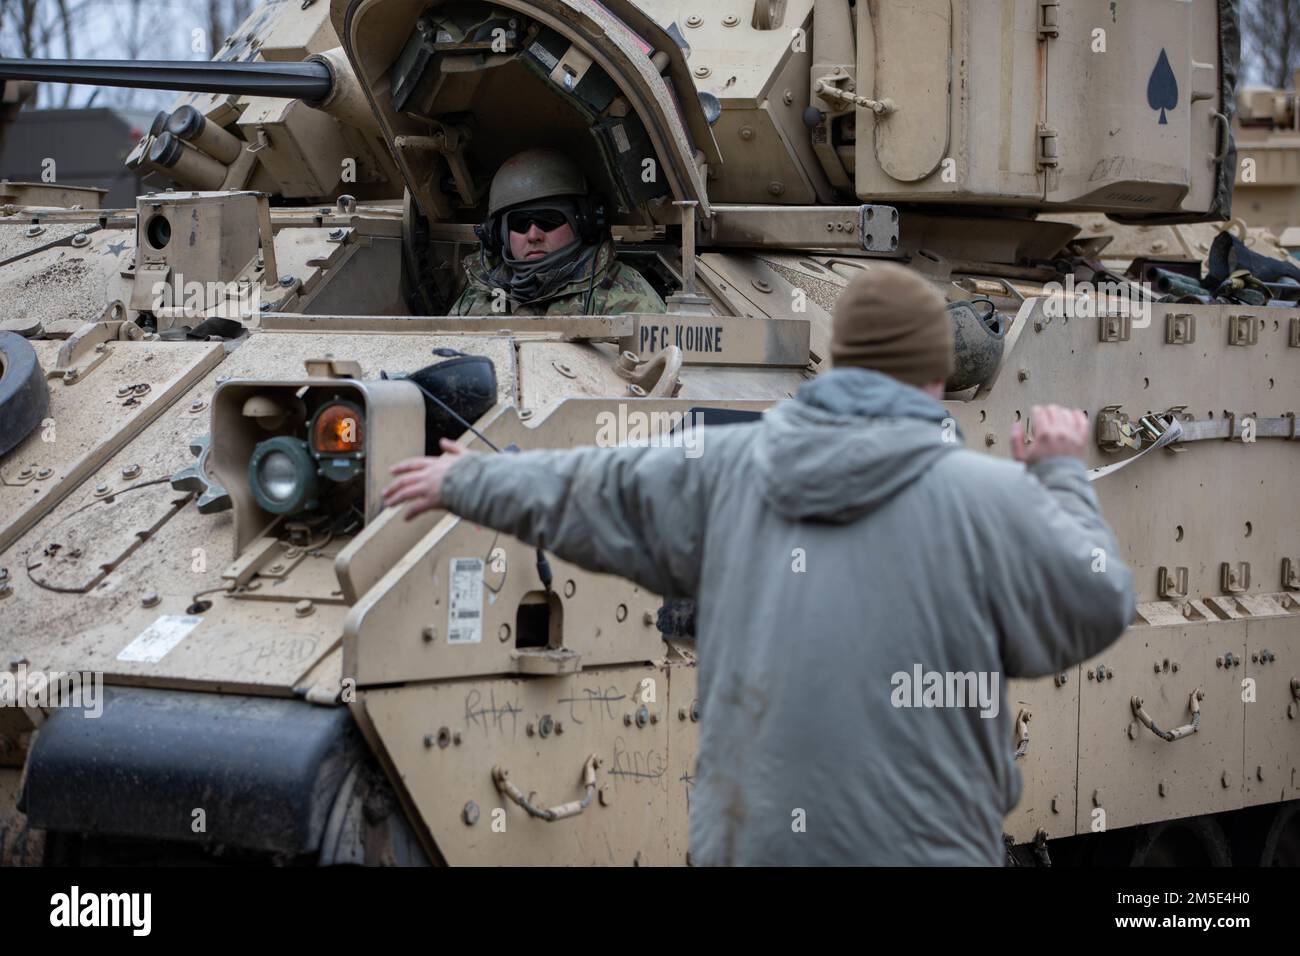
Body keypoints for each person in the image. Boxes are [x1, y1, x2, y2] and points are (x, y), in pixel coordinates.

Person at [383, 263, 1135, 866]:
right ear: (939, 376)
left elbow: (587, 490)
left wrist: (468, 480)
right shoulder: (990, 497)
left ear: (842, 360)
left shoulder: (720, 467)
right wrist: (1061, 474)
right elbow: (1098, 601)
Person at [450, 147, 666, 316]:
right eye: (520, 223)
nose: (533, 235)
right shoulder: (478, 296)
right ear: (498, 234)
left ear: (582, 222)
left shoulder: (624, 295)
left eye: (548, 220)